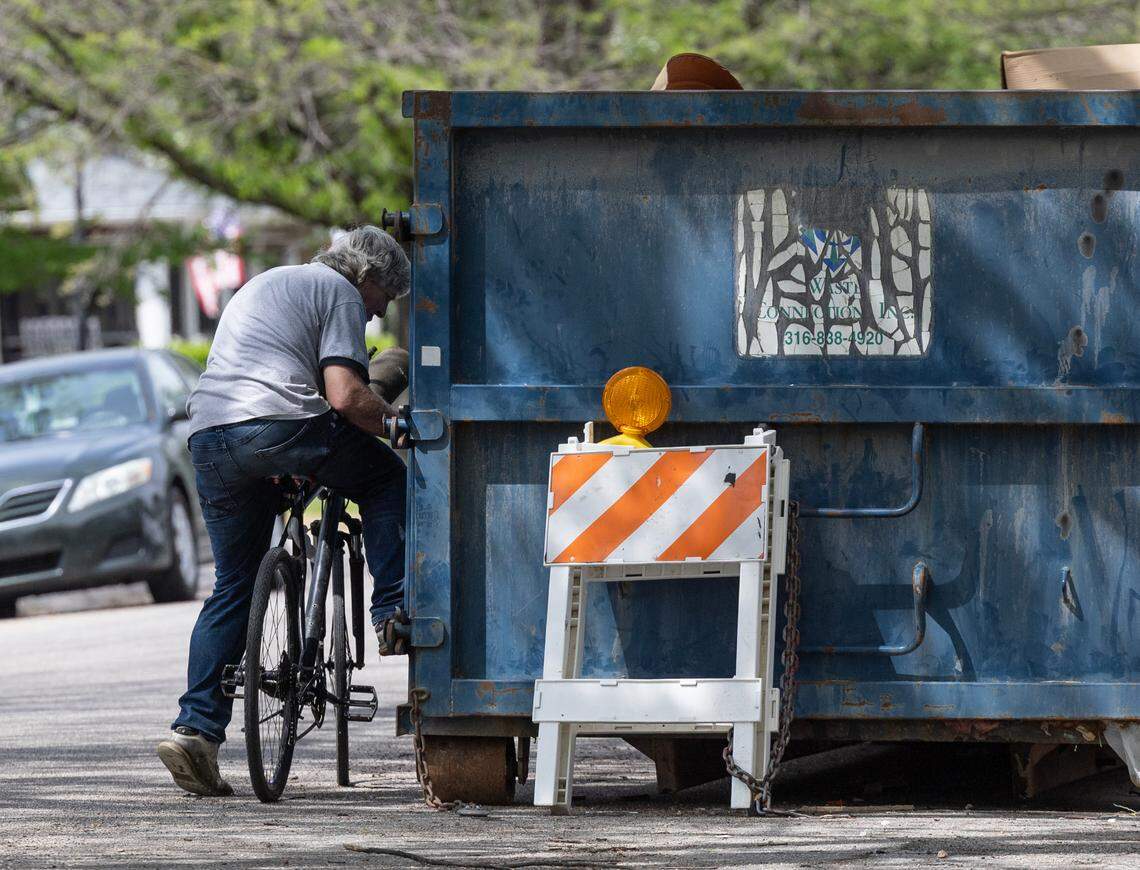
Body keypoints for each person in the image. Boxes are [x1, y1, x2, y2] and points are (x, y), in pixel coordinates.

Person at [157, 226, 411, 797]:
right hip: (279, 427)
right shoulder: (339, 291)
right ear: (369, 278)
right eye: (384, 300)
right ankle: (392, 607)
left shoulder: (265, 283)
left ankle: (196, 732)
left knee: (234, 583)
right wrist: (396, 426)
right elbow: (345, 395)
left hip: (210, 436)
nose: (376, 315)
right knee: (385, 476)